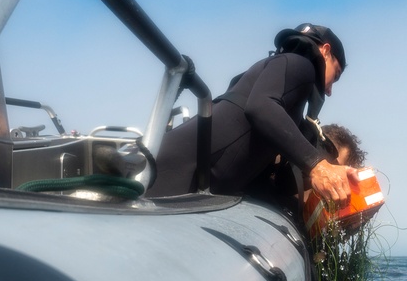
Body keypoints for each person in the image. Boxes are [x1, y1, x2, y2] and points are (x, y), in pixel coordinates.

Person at [147, 24, 358, 204]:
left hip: (184, 174)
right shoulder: (299, 65)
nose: (330, 90)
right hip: (176, 171)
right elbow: (260, 107)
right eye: (336, 75)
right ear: (325, 51)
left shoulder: (282, 89)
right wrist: (316, 166)